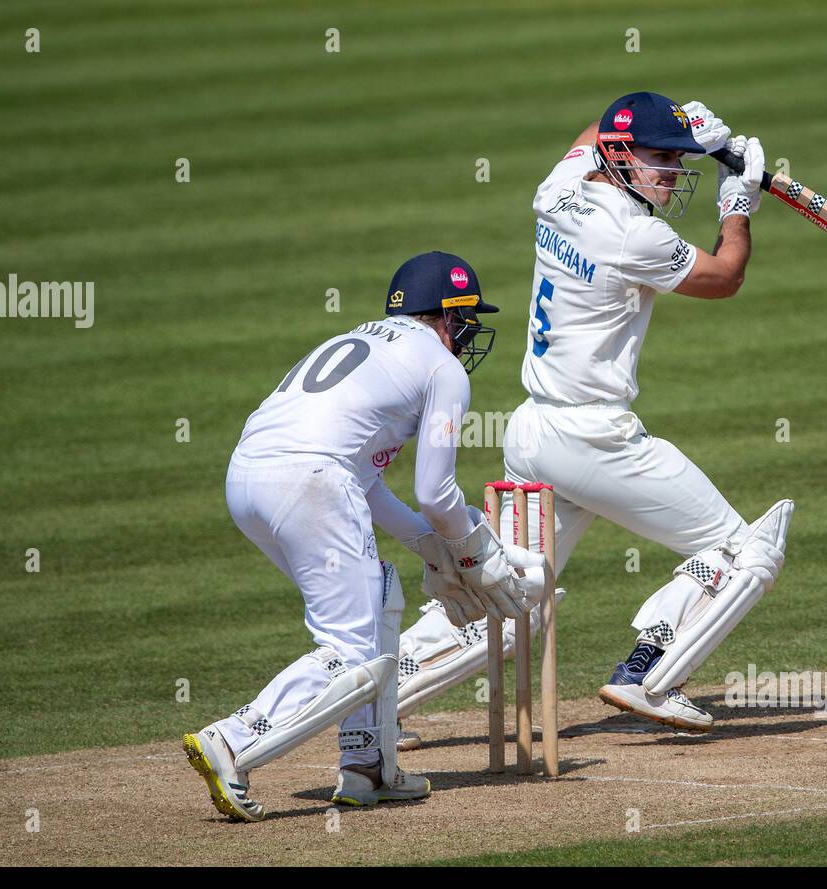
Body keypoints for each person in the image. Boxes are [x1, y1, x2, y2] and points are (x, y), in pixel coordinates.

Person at [396, 93, 793, 746]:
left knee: (509, 590)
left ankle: (381, 694)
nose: (671, 172)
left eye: (676, 158)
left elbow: (595, 126)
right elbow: (724, 277)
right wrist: (737, 204)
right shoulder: (635, 233)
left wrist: (684, 122)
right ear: (618, 156)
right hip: (593, 438)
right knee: (747, 551)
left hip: (533, 431)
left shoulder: (560, 187)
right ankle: (649, 673)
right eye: (660, 158)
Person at [182, 251, 541, 821]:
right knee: (351, 651)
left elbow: (369, 484)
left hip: (247, 478)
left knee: (380, 600)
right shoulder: (441, 368)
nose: (470, 332)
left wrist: (430, 546)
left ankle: (369, 766)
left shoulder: (361, 341)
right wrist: (476, 552)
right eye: (466, 317)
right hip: (312, 480)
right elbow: (436, 492)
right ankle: (232, 740)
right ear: (447, 315)